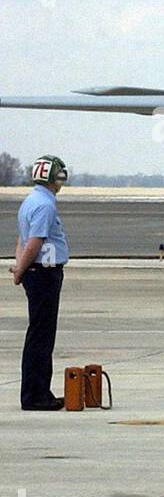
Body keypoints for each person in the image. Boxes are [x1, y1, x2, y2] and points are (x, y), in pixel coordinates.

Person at [11, 155, 70, 410]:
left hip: (35, 273)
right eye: (60, 176)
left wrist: (20, 268)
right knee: (42, 337)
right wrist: (21, 269)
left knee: (39, 334)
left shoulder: (30, 201)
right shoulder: (45, 205)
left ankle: (39, 391)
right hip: (44, 274)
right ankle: (36, 396)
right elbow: (34, 241)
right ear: (53, 178)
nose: (62, 181)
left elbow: (21, 239)